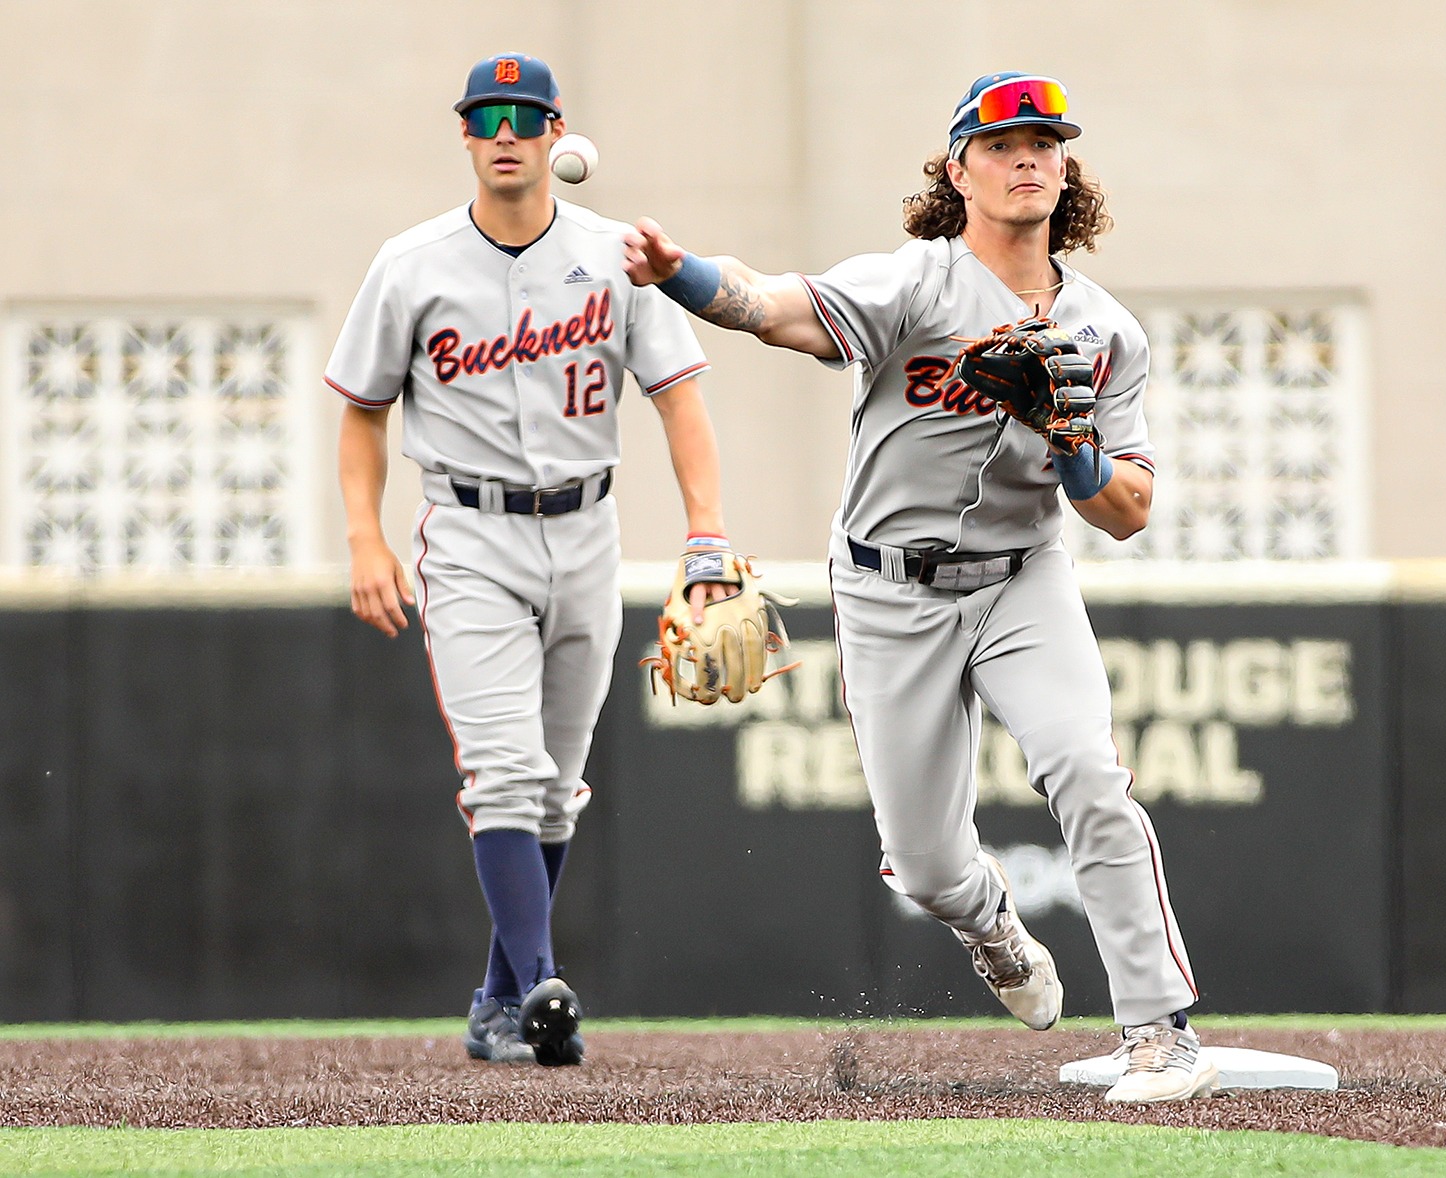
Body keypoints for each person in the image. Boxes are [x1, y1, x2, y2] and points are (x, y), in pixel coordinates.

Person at [622, 72, 1216, 1102]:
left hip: (1022, 576)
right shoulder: (917, 284)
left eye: (1041, 141)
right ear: (958, 170)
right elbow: (776, 308)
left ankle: (1157, 1030)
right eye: (998, 143)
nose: (1024, 155)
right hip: (888, 591)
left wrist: (1073, 452)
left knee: (1085, 769)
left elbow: (1125, 508)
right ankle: (990, 921)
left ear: (1064, 166)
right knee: (927, 865)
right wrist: (682, 277)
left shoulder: (1107, 328)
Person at [329, 52, 730, 1066]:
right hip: (467, 532)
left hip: (586, 527)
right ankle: (545, 988)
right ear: (464, 136)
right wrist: (364, 535)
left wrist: (706, 535)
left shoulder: (614, 256)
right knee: (505, 773)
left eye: (522, 115)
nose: (503, 131)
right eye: (485, 116)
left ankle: (503, 998)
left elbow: (680, 395)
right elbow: (362, 412)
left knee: (555, 782)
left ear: (556, 133)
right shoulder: (410, 262)